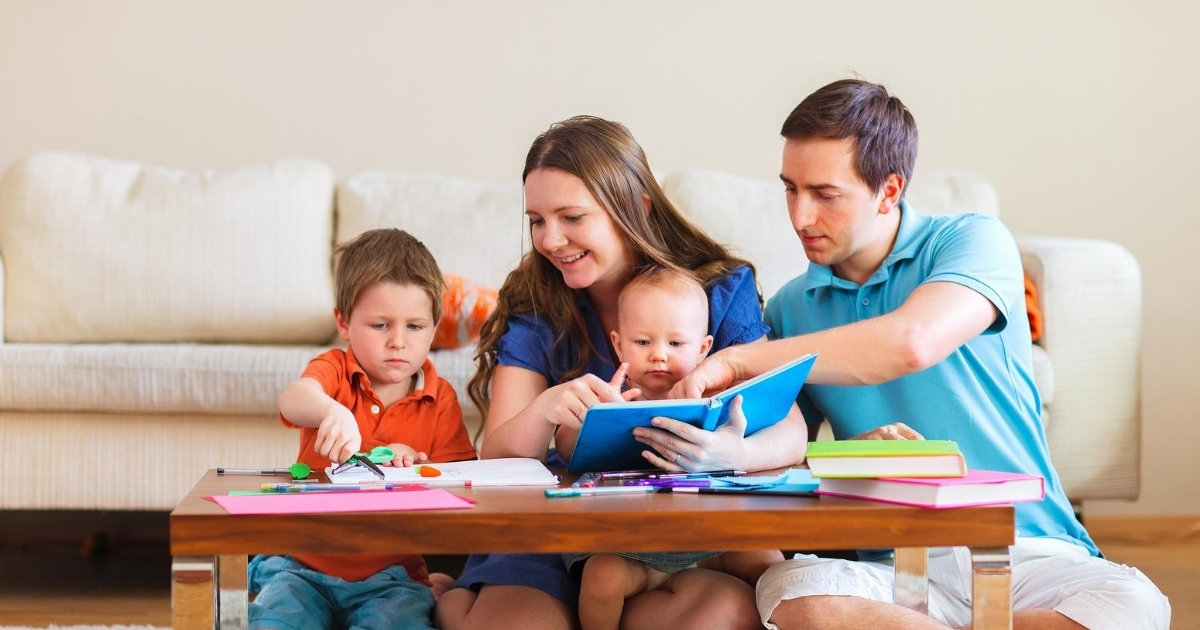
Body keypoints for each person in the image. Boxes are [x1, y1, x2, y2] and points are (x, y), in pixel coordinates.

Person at [658, 79, 1171, 630]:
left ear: (889, 190)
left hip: (1027, 548)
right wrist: (842, 456)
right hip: (894, 571)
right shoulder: (790, 310)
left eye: (825, 194)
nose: (800, 216)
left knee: (1137, 607)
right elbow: (790, 456)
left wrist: (738, 361)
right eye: (790, 189)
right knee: (785, 592)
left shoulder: (972, 242)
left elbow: (912, 342)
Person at [433, 115, 808, 630]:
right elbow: (496, 453)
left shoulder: (716, 292)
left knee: (727, 614)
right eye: (537, 220)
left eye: (571, 217)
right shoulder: (537, 302)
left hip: (675, 537)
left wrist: (737, 452)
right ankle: (456, 600)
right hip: (552, 528)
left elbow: (789, 425)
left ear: (635, 207)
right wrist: (545, 410)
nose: (550, 240)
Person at [248, 228, 478, 630]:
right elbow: (293, 398)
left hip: (390, 576)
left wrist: (416, 471)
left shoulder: (440, 398)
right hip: (302, 567)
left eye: (415, 327)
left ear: (434, 327)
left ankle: (432, 588)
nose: (398, 342)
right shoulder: (335, 370)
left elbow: (462, 489)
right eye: (380, 325)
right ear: (344, 322)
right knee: (275, 621)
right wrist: (329, 410)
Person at [565, 265, 785, 630]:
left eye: (676, 343)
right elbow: (566, 444)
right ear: (619, 344)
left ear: (703, 350)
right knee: (601, 576)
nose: (659, 355)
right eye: (643, 342)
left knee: (768, 558)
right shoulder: (608, 398)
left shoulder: (716, 401)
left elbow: (756, 436)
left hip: (708, 542)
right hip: (631, 550)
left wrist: (737, 435)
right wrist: (601, 420)